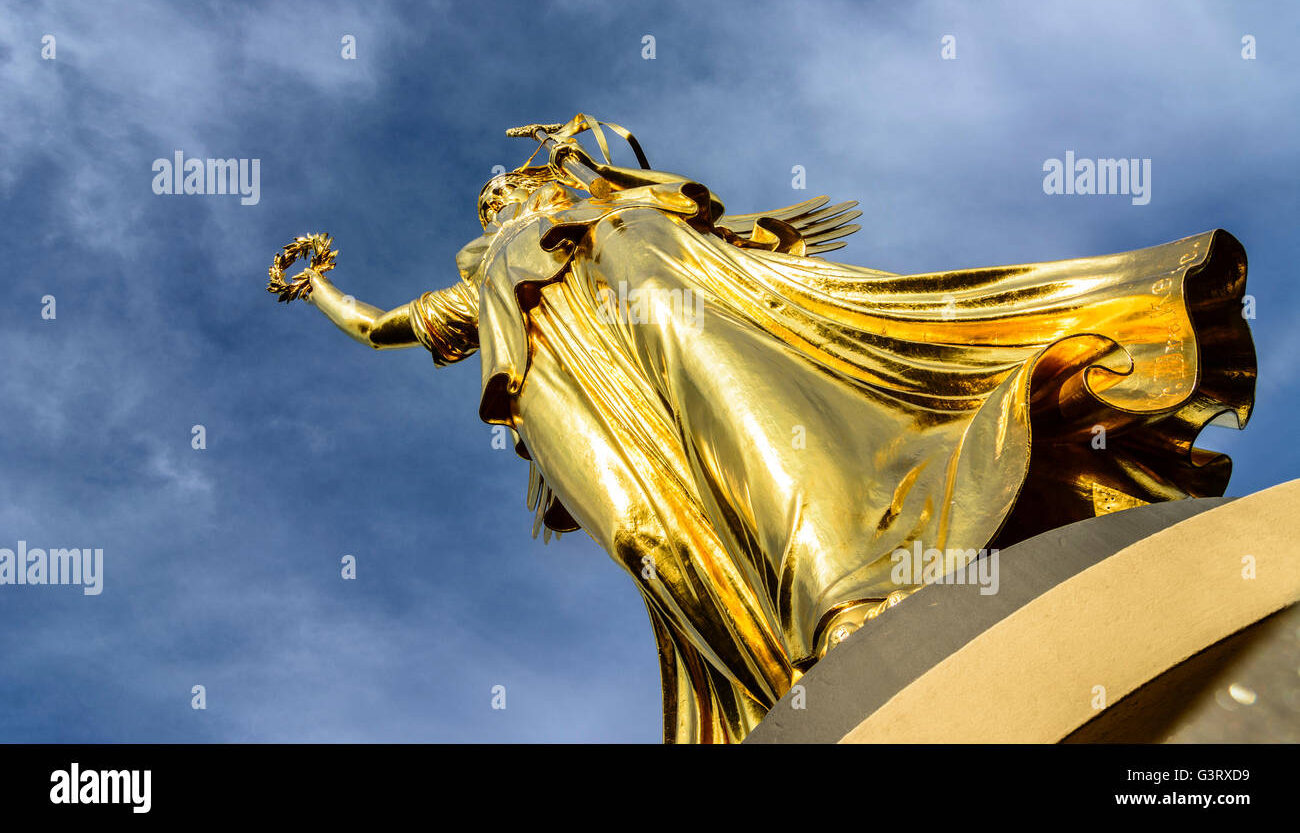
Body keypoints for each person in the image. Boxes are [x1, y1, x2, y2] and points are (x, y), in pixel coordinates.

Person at [290, 115, 1256, 742]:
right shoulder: (480, 283)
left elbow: (693, 213)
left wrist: (609, 167)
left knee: (772, 459)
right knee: (647, 543)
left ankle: (852, 608)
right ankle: (776, 688)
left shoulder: (613, 211)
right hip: (576, 401)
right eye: (495, 196)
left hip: (691, 330)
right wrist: (318, 287)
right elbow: (383, 330)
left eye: (516, 185)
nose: (503, 194)